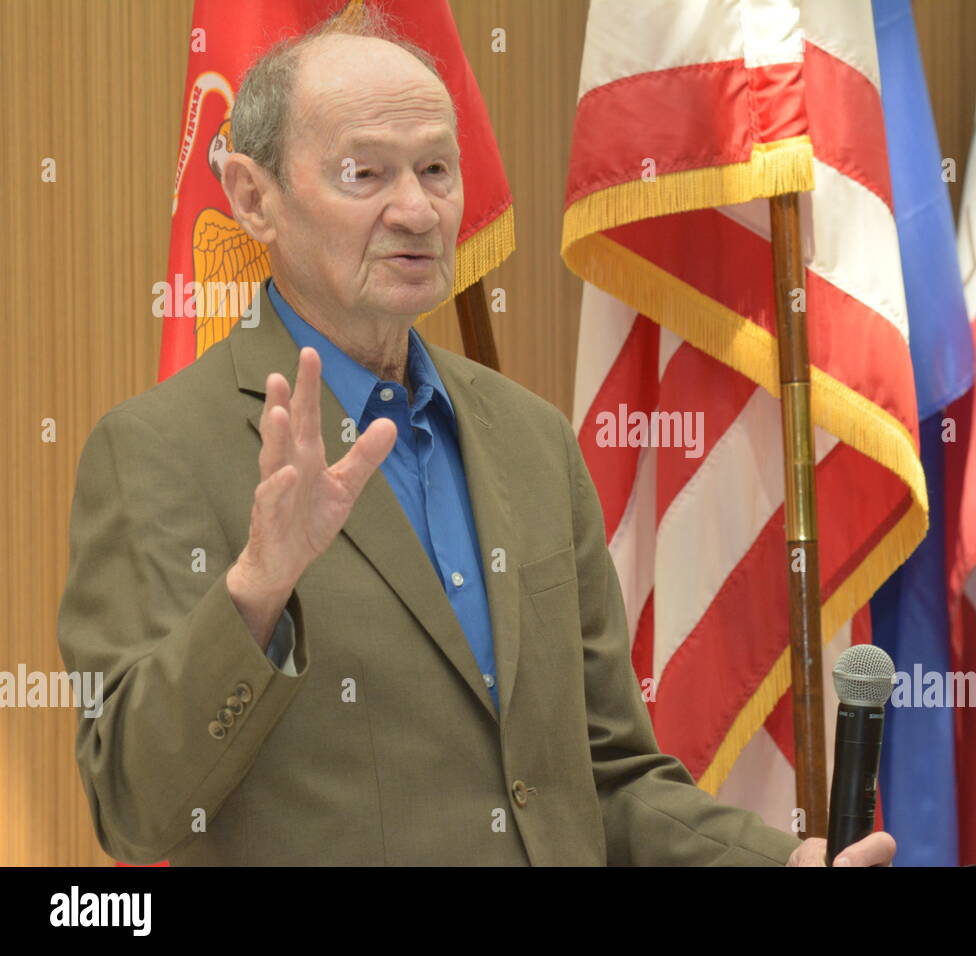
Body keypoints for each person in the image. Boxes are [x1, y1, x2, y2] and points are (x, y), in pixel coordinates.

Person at [56, 8, 896, 867]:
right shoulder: (157, 450)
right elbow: (134, 810)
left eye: (435, 169)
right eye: (365, 174)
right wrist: (256, 592)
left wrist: (780, 863)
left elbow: (605, 776)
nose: (417, 210)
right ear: (253, 199)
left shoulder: (531, 439)